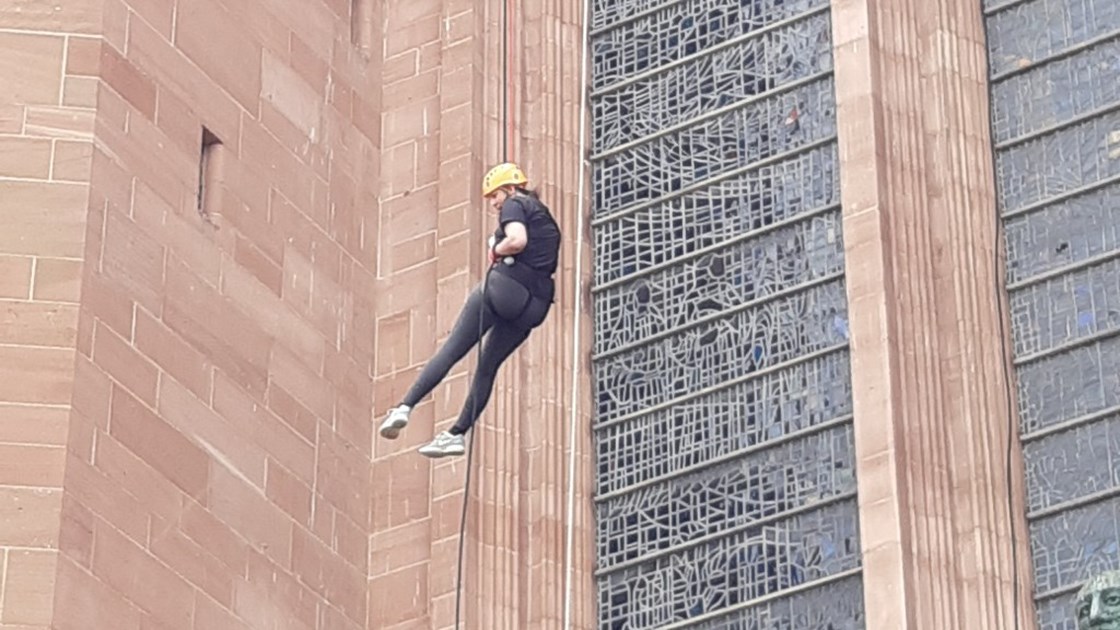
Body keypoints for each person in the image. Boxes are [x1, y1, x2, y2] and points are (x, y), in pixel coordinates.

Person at [377, 162, 562, 458]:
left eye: (495, 196)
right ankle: (456, 434)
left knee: (453, 349)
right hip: (534, 307)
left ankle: (405, 406)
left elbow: (517, 240)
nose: (494, 204)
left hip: (506, 288)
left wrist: (495, 249)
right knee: (487, 367)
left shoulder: (515, 204)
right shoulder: (547, 220)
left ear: (511, 188)